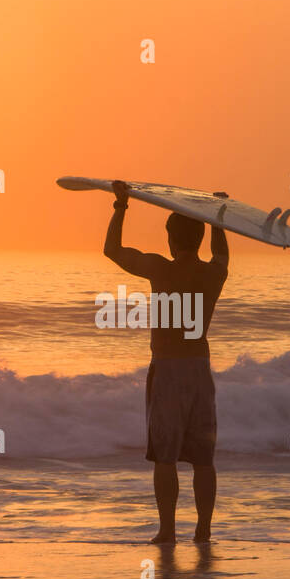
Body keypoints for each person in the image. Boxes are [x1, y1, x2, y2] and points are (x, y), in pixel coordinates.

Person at [103, 180, 228, 543]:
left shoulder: (160, 268)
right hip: (200, 371)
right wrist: (219, 219)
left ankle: (168, 531)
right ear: (200, 240)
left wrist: (121, 206)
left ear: (171, 240)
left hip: (169, 369)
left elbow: (112, 250)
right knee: (204, 458)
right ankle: (203, 530)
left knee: (166, 456)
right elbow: (221, 255)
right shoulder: (212, 273)